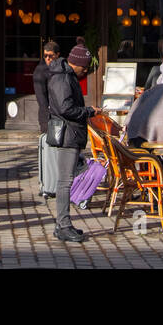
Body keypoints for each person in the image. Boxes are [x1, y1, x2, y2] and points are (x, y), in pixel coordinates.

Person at [47, 43, 96, 243]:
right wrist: (89, 111)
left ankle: (63, 224)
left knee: (65, 180)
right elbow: (66, 108)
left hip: (71, 133)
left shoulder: (67, 76)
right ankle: (63, 225)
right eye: (84, 68)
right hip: (68, 133)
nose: (85, 72)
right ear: (75, 63)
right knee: (65, 181)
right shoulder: (62, 77)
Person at [34, 41, 61, 135]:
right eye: (45, 55)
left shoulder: (61, 67)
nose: (48, 58)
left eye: (50, 55)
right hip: (47, 115)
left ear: (57, 55)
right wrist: (47, 120)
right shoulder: (40, 71)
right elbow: (41, 98)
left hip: (61, 112)